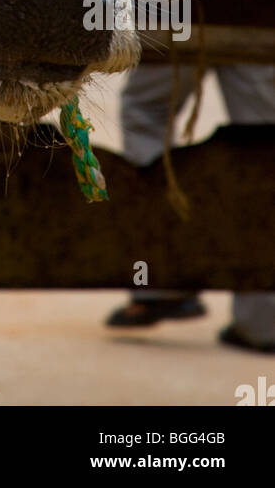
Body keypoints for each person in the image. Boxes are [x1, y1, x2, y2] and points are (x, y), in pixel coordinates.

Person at [105, 62, 275, 352]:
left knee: (146, 112)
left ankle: (162, 282)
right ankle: (264, 320)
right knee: (262, 138)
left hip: (179, 21)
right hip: (258, 24)